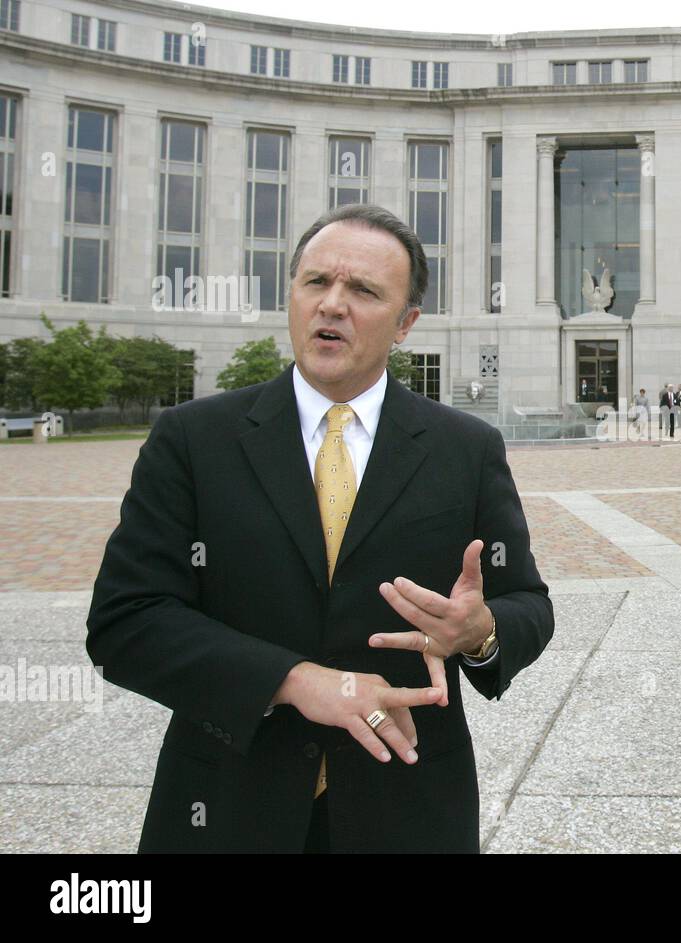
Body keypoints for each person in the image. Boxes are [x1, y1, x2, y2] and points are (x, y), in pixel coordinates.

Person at [86, 203, 553, 853]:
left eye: (363, 290)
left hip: (409, 811)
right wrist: (301, 681)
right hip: (226, 807)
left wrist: (481, 634)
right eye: (316, 282)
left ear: (406, 323)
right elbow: (124, 622)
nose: (332, 304)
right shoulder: (194, 439)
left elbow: (528, 602)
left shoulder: (464, 447)